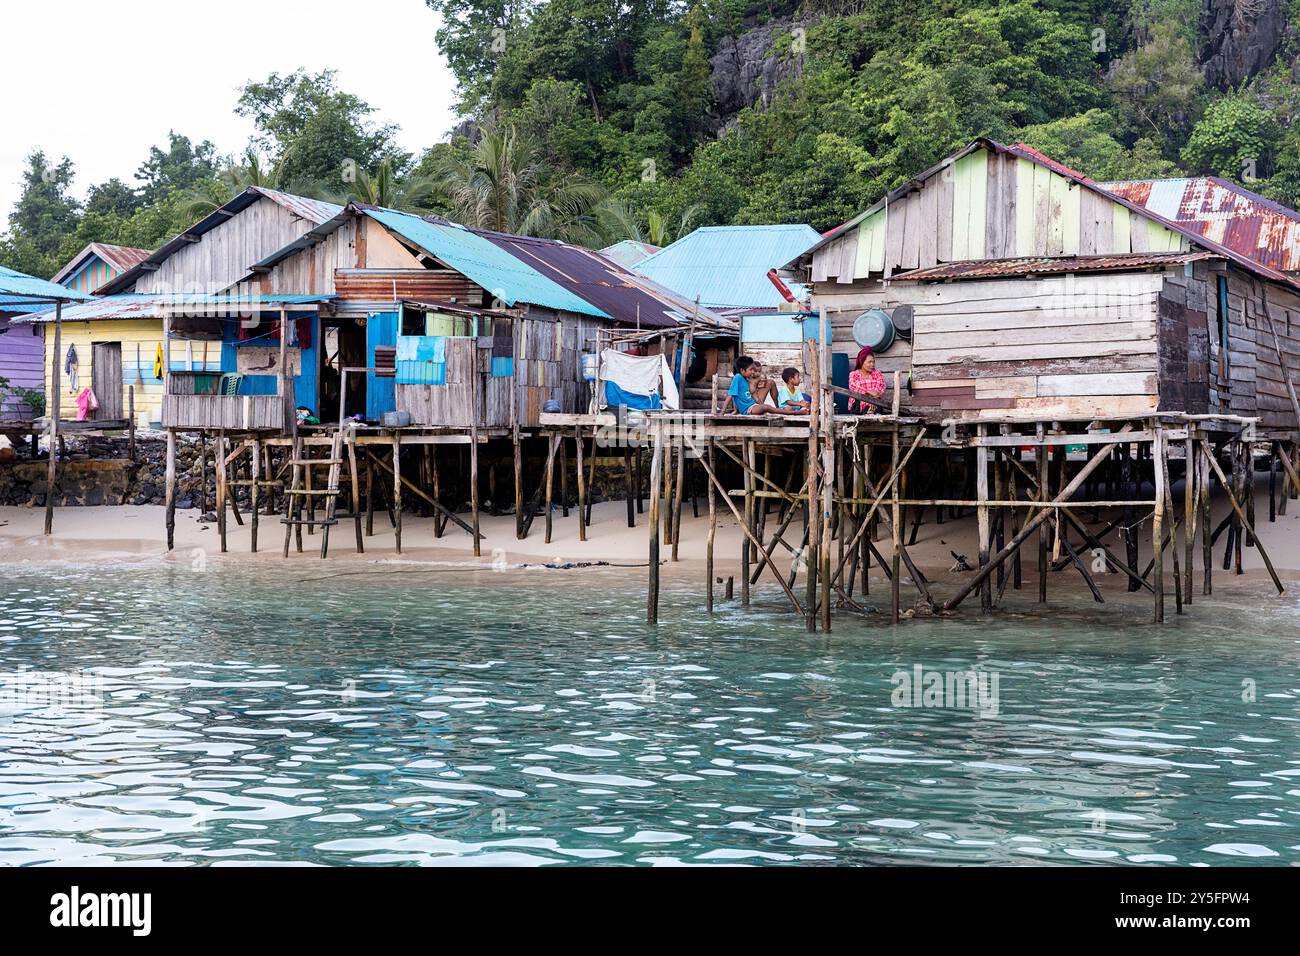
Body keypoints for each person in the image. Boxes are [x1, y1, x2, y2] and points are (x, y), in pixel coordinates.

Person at [721, 356, 803, 416]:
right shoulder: (738, 377)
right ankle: (795, 412)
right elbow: (731, 395)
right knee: (767, 408)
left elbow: (754, 396)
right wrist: (722, 413)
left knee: (767, 408)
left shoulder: (746, 379)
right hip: (748, 409)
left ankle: (782, 409)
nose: (752, 372)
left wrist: (761, 404)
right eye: (751, 370)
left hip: (753, 405)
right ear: (742, 370)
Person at [848, 346, 887, 412]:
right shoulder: (854, 374)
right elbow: (853, 386)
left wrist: (873, 400)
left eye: (873, 362)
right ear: (862, 362)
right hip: (857, 407)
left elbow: (881, 387)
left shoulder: (877, 374)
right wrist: (867, 391)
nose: (872, 364)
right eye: (869, 362)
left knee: (876, 406)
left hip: (875, 406)